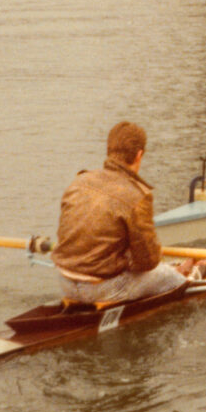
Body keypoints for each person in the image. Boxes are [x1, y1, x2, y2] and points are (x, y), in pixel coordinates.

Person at [51, 121, 186, 303]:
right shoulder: (136, 195)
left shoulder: (79, 181)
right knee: (173, 278)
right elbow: (148, 261)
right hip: (102, 289)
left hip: (65, 281)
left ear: (109, 150)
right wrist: (130, 261)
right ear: (139, 155)